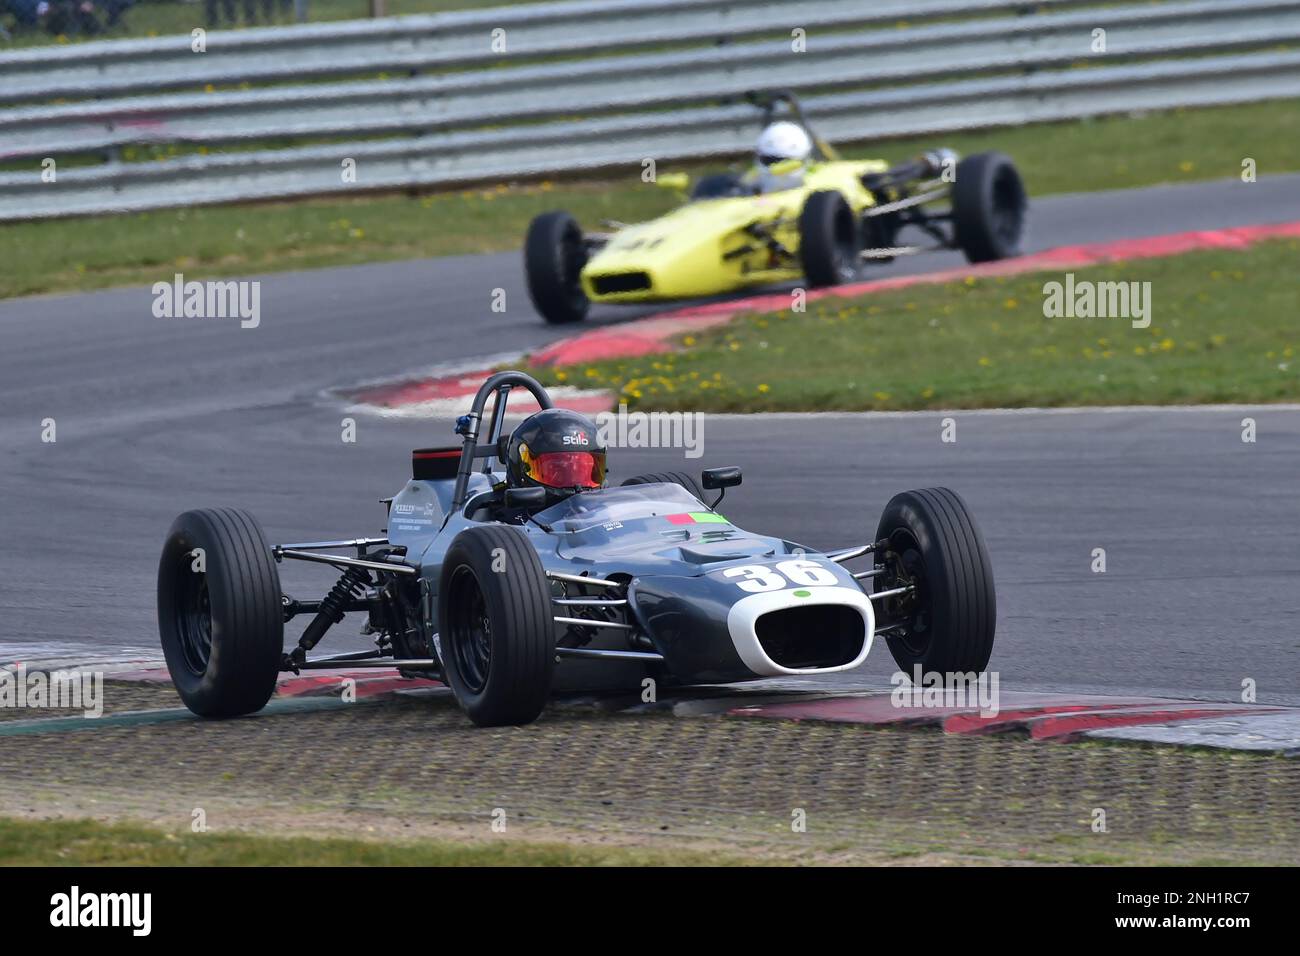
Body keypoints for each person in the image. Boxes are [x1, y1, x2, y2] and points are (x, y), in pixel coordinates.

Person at [504, 408, 607, 504]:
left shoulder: (602, 511)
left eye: (582, 468)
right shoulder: (499, 521)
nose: (577, 488)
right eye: (556, 468)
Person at [743, 120, 813, 194]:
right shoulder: (749, 181)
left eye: (785, 163)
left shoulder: (816, 191)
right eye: (768, 161)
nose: (774, 169)